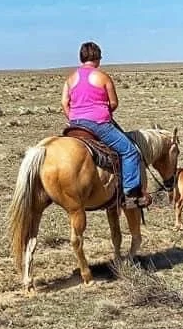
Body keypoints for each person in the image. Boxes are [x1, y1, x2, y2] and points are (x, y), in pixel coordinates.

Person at [61, 41, 151, 209]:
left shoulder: (70, 79)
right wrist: (102, 112)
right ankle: (131, 195)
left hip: (74, 126)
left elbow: (64, 103)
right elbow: (114, 102)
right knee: (130, 151)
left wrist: (74, 117)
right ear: (98, 58)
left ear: (81, 58)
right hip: (98, 124)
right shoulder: (102, 77)